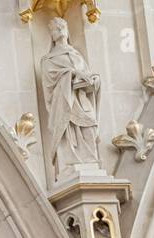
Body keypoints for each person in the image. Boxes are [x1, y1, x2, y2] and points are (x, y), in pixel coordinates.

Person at [41, 16, 101, 181]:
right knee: (68, 135)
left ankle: (90, 162)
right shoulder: (48, 59)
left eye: (62, 27)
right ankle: (69, 165)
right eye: (55, 28)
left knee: (89, 129)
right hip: (64, 104)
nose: (60, 31)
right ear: (51, 34)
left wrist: (94, 80)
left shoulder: (77, 55)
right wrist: (71, 74)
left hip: (82, 101)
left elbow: (87, 76)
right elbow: (49, 82)